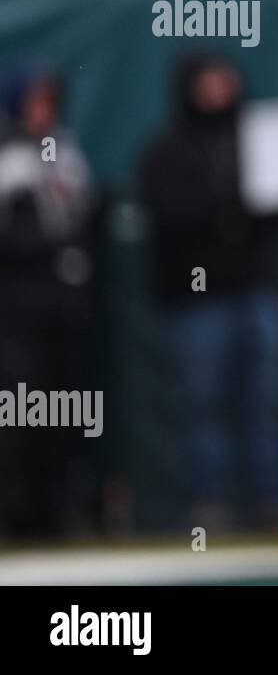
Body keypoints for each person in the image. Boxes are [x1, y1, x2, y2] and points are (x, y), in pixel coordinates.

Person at [137, 53, 278, 529]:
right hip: (199, 302)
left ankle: (267, 503)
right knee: (205, 403)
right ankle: (211, 504)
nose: (219, 91)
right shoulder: (167, 151)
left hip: (256, 292)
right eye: (209, 82)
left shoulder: (258, 142)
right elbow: (171, 215)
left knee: (265, 399)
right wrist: (227, 205)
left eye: (225, 81)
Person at [0, 66, 100, 536]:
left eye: (49, 100)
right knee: (22, 409)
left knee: (67, 409)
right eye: (34, 100)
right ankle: (18, 513)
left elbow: (83, 220)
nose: (43, 111)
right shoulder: (9, 157)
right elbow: (20, 242)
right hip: (20, 312)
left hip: (65, 310)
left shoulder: (65, 152)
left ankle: (59, 510)